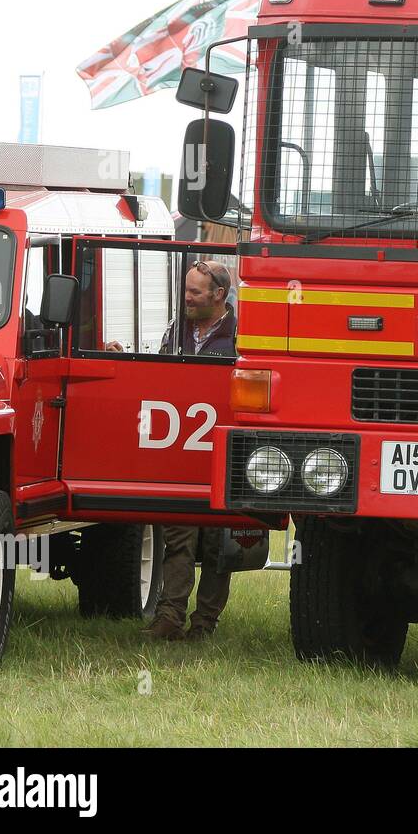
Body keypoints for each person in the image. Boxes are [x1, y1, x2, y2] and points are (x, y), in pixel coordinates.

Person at [143, 260, 239, 641]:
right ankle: (169, 618)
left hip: (224, 460)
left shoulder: (243, 335)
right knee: (177, 539)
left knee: (220, 545)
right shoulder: (175, 331)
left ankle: (204, 624)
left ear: (219, 295)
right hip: (180, 458)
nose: (186, 298)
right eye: (186, 290)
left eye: (195, 292)